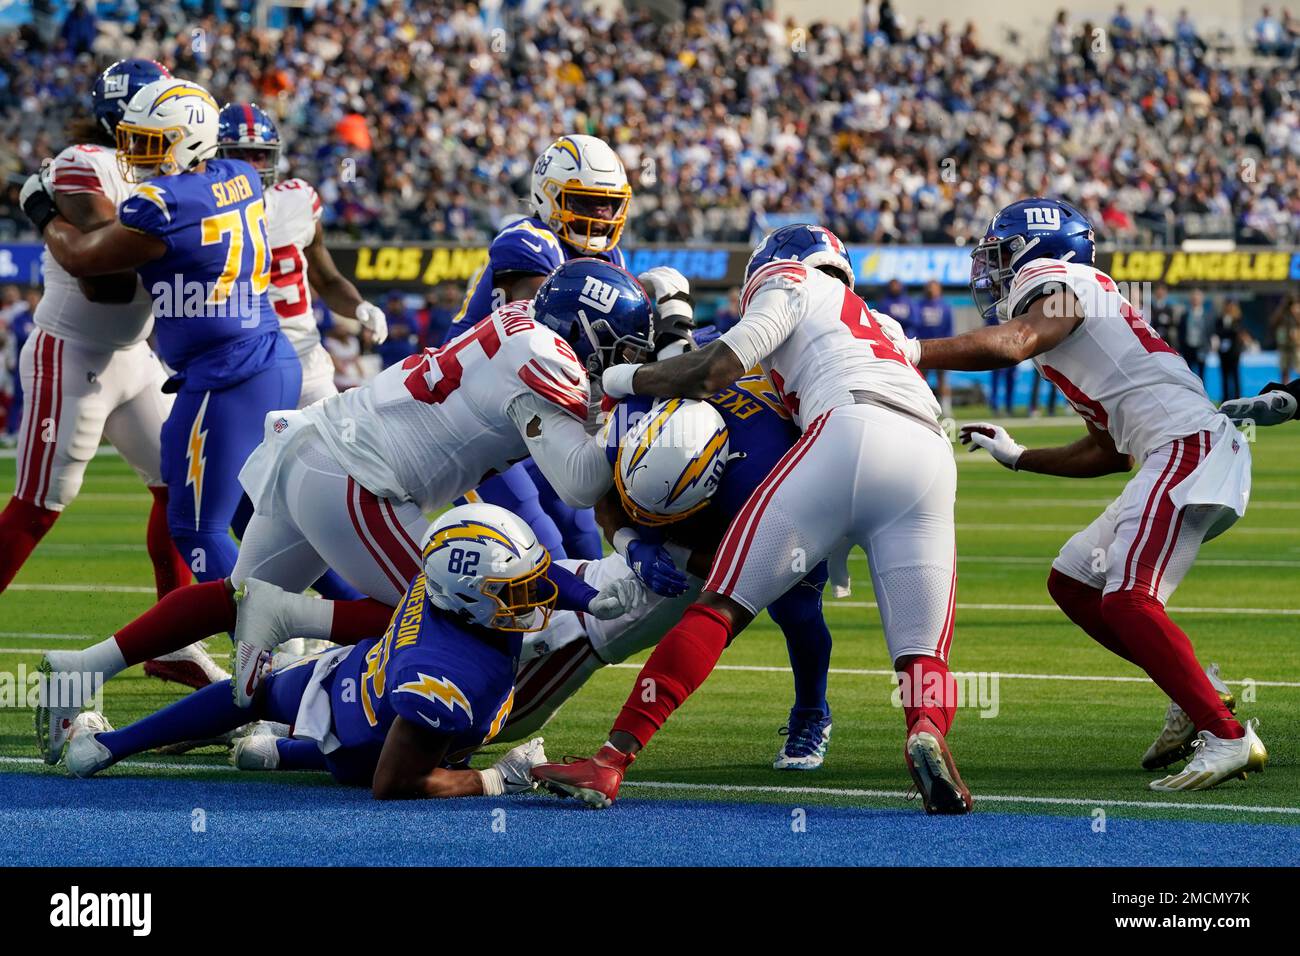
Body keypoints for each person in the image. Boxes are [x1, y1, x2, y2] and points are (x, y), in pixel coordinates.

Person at [35, 258, 653, 764]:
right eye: (619, 349)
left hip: (319, 447)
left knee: (237, 596)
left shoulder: (521, 325)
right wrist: (626, 393)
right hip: (361, 477)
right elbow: (579, 482)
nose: (620, 361)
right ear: (589, 330)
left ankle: (83, 669)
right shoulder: (545, 356)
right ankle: (302, 677)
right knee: (445, 611)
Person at [533, 224, 972, 814]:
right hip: (928, 454)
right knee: (923, 650)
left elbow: (716, 367)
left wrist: (617, 378)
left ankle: (610, 761)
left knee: (721, 605)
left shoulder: (789, 281)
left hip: (845, 430)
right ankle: (926, 730)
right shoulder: (879, 322)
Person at [904, 197, 1264, 792]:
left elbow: (1013, 340)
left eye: (1000, 255)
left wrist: (908, 350)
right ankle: (1195, 687)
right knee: (1072, 580)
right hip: (1169, 451)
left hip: (1187, 447)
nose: (991, 271)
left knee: (1129, 600)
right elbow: (1105, 452)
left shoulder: (1068, 282)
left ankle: (1226, 733)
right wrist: (1018, 457)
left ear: (1040, 251)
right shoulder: (1079, 326)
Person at [58, 505, 621, 800]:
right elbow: (393, 785)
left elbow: (543, 574)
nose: (536, 596)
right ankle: (298, 752)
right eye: (516, 591)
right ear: (472, 597)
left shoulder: (442, 584)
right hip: (367, 747)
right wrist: (495, 780)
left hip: (348, 675)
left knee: (251, 694)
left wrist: (597, 599)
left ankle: (106, 748)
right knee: (441, 753)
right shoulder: (440, 677)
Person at [18, 77, 303, 591]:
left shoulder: (163, 200)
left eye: (148, 143)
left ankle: (248, 642)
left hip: (201, 368)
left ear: (186, 140)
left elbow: (97, 273)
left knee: (192, 515)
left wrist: (41, 209)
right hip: (252, 356)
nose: (134, 155)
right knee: (248, 507)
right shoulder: (238, 173)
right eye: (130, 139)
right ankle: (328, 620)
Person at [0, 61, 193, 615]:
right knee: (39, 505)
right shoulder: (84, 163)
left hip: (136, 356)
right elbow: (105, 284)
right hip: (72, 353)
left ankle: (173, 638)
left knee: (181, 489)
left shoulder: (165, 170)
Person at [442, 135, 634, 563]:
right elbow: (537, 344)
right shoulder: (528, 242)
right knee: (539, 543)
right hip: (471, 418)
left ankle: (581, 631)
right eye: (586, 202)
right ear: (548, 197)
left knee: (582, 537)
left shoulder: (613, 259)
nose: (601, 216)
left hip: (533, 420)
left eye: (609, 204)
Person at [215, 102, 387, 409]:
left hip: (306, 363)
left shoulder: (297, 201)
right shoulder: (199, 213)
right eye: (241, 155)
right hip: (238, 367)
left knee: (340, 454)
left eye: (260, 155)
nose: (252, 166)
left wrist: (360, 307)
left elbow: (327, 278)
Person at [916, 280, 954, 415]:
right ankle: (921, 407)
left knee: (943, 380)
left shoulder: (945, 306)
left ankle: (946, 409)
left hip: (941, 348)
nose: (931, 290)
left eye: (934, 287)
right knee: (921, 380)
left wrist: (948, 346)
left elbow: (949, 329)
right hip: (923, 348)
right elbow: (916, 326)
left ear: (939, 289)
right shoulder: (919, 306)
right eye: (929, 287)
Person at [1214, 300, 1250, 402]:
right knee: (1224, 375)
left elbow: (1239, 332)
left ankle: (1237, 397)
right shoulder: (1220, 319)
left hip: (1234, 352)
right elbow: (1218, 331)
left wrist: (1229, 332)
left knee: (1235, 375)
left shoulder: (1238, 319)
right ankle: (1225, 398)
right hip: (1223, 351)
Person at [1179, 289, 1211, 382]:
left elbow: (1210, 331)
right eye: (1194, 298)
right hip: (1188, 348)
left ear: (1202, 300)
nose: (1195, 300)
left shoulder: (1207, 315)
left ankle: (1201, 395)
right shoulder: (1185, 315)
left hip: (1201, 348)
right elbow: (1181, 331)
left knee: (1201, 375)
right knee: (1188, 374)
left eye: (1197, 298)